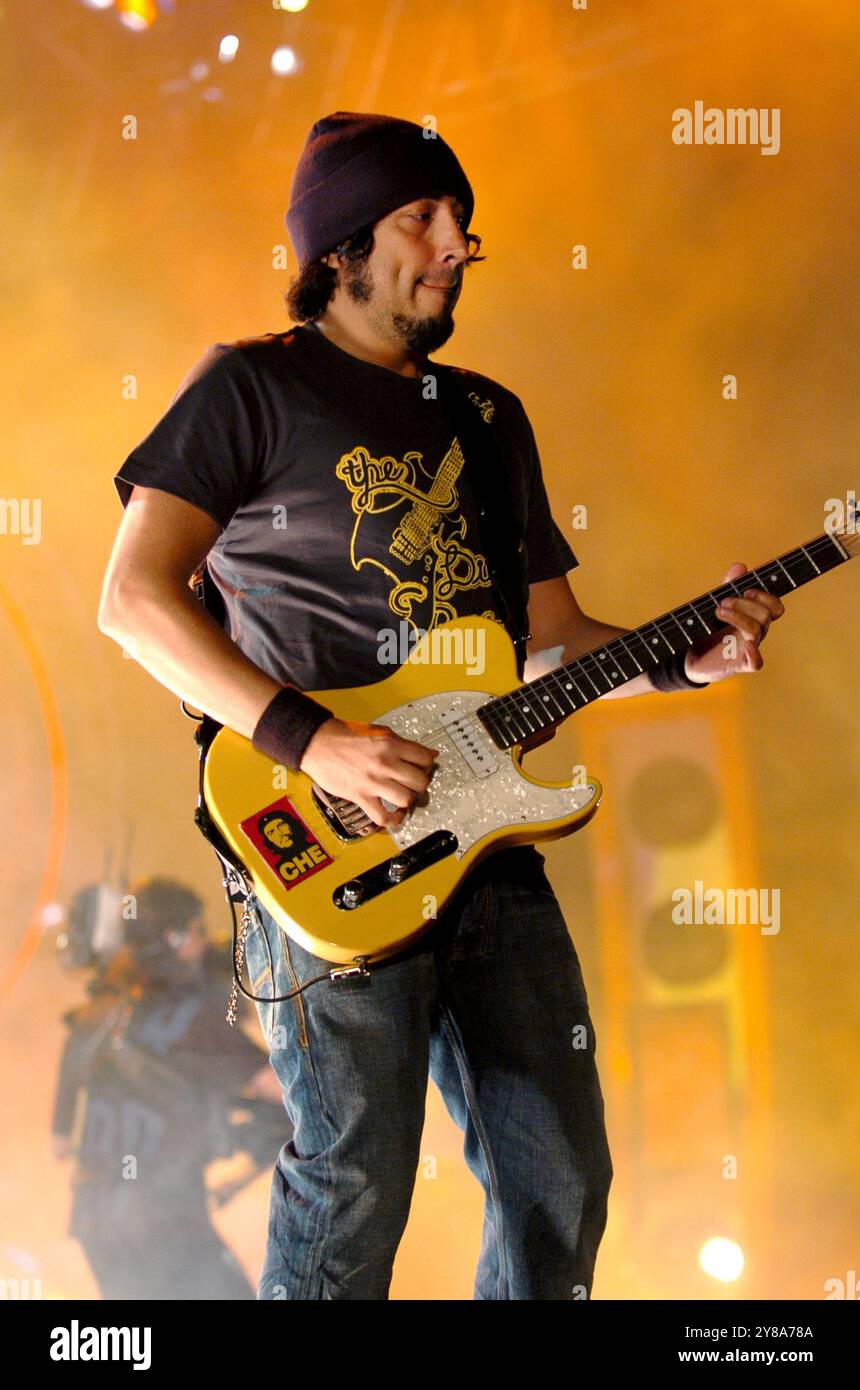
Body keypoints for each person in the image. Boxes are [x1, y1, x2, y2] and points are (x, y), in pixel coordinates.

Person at [97, 112, 785, 1299]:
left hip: (486, 842)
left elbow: (550, 644)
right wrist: (314, 743)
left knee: (557, 1177)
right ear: (342, 250)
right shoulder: (250, 387)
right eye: (422, 216)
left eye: (461, 221)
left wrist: (690, 660)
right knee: (355, 1182)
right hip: (330, 840)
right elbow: (132, 599)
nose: (456, 242)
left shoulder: (485, 416)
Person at [52, 877, 284, 1300]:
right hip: (166, 1223)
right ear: (173, 939)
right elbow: (289, 1093)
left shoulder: (95, 1015)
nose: (203, 944)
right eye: (196, 931)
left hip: (97, 1226)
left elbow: (59, 1145)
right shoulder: (191, 1020)